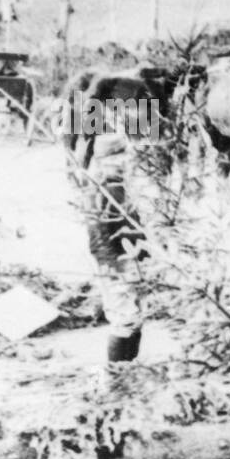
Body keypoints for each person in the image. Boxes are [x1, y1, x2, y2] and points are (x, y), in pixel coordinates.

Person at [85, 134, 147, 364]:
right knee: (125, 317)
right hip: (112, 261)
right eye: (118, 158)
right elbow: (97, 233)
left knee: (137, 316)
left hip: (128, 256)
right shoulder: (101, 189)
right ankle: (117, 372)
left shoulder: (119, 185)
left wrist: (142, 250)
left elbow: (132, 223)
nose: (124, 162)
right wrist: (110, 264)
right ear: (103, 160)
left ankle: (130, 366)